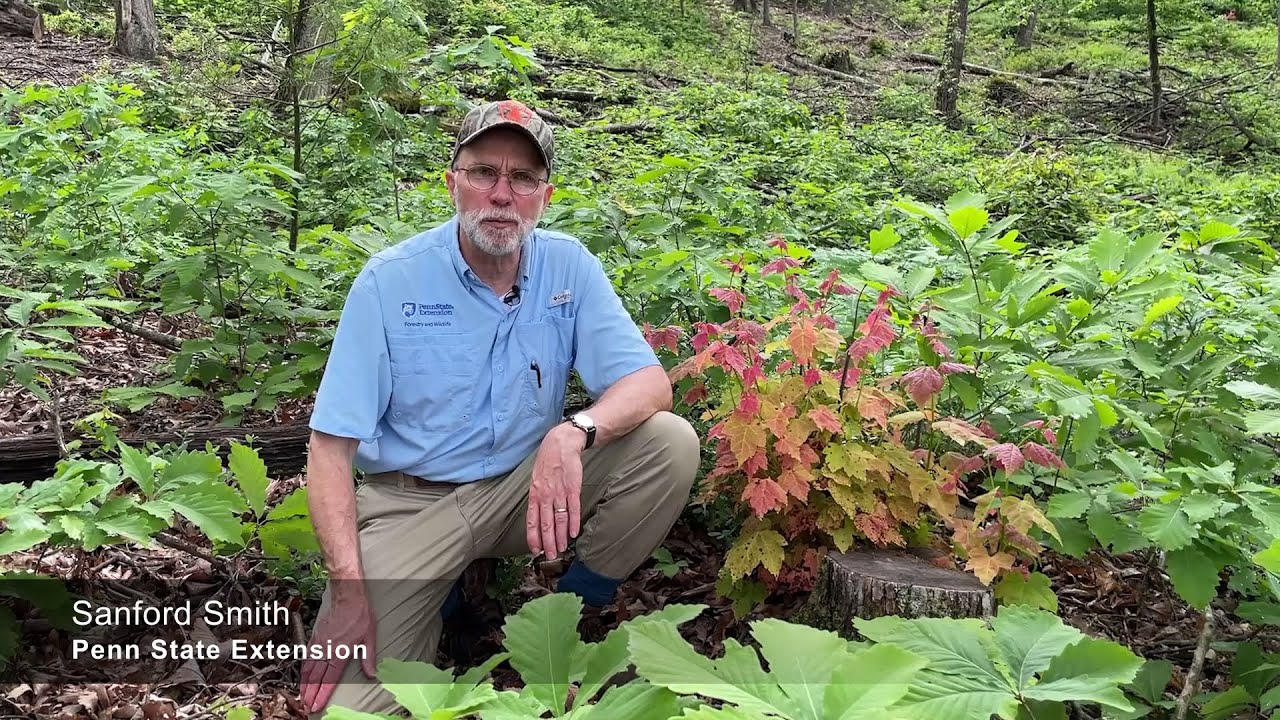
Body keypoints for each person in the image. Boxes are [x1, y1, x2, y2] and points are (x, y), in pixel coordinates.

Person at [298, 99, 700, 716]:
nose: (502, 194)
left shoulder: (569, 266)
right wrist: (349, 589)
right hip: (413, 505)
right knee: (351, 705)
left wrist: (573, 433)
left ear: (545, 193)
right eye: (484, 172)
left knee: (669, 442)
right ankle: (443, 599)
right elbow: (330, 446)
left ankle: (571, 610)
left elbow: (648, 383)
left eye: (523, 178)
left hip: (521, 492)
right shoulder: (391, 282)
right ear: (453, 181)